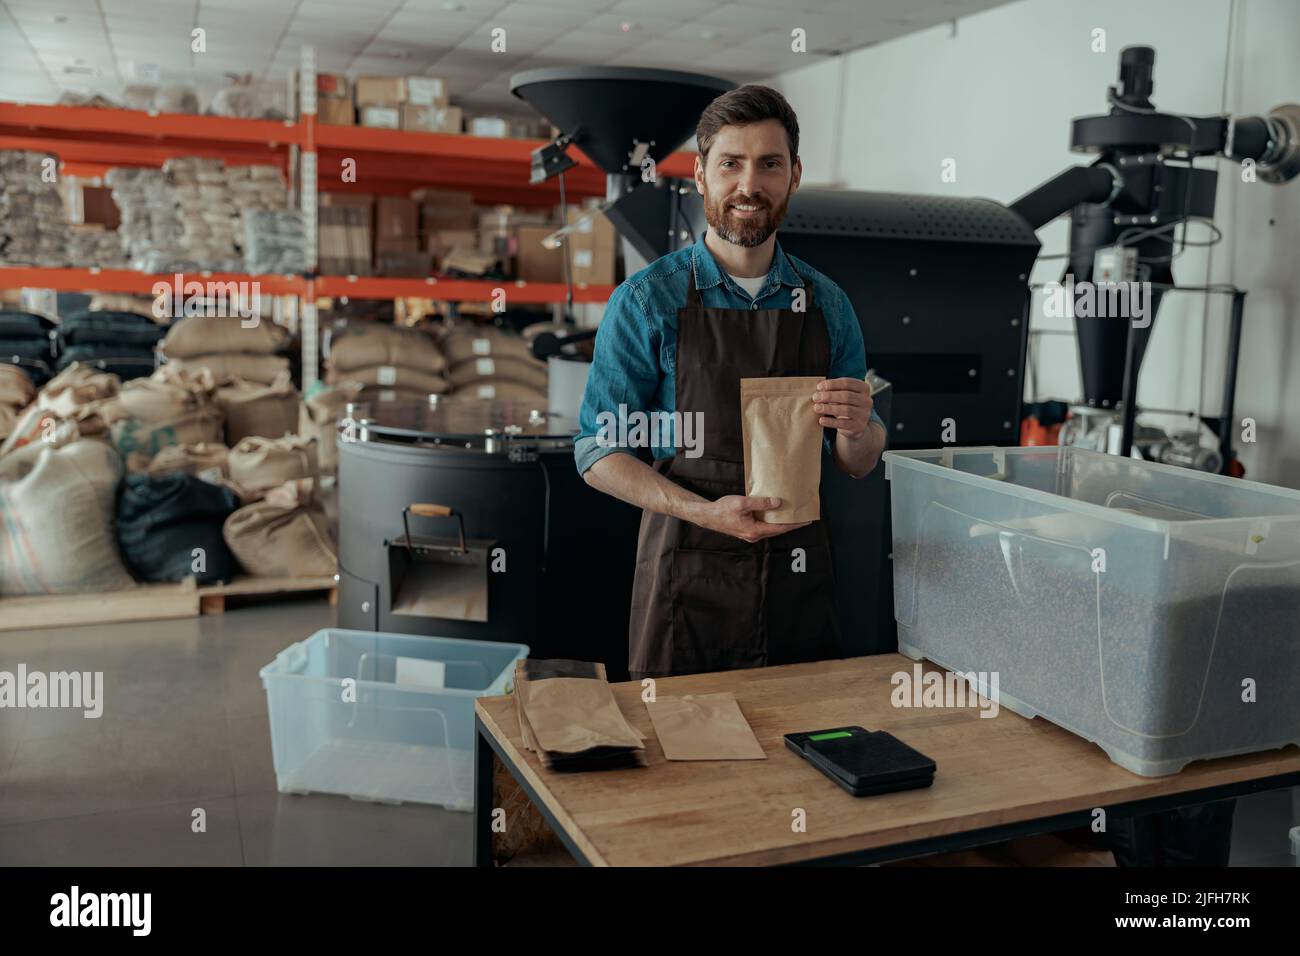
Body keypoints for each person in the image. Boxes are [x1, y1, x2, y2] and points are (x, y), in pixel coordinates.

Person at [574, 85, 887, 681]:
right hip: (686, 579)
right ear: (699, 174)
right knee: (686, 758)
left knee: (802, 754)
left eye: (769, 164)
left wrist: (857, 426)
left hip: (799, 575)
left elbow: (858, 460)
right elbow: (596, 451)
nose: (749, 185)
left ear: (794, 174)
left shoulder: (828, 305)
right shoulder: (646, 301)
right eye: (731, 164)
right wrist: (704, 513)